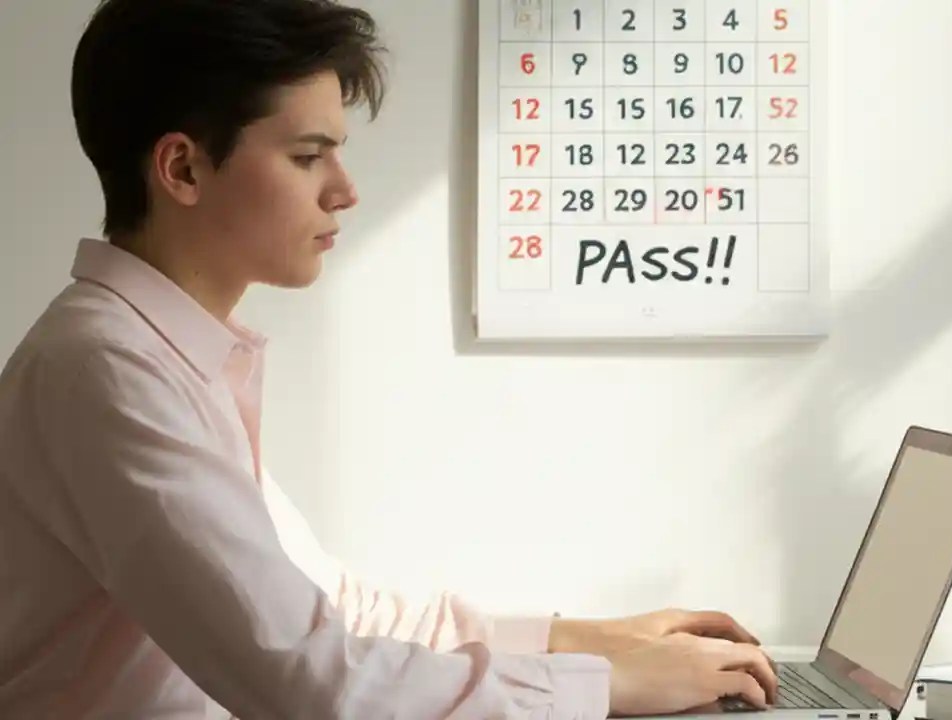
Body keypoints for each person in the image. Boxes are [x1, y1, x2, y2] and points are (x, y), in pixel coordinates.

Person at [0, 0, 779, 717]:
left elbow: (329, 606)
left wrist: (579, 641)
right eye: (310, 156)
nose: (345, 190)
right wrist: (608, 687)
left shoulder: (160, 355)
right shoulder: (105, 372)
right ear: (182, 169)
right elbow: (310, 677)